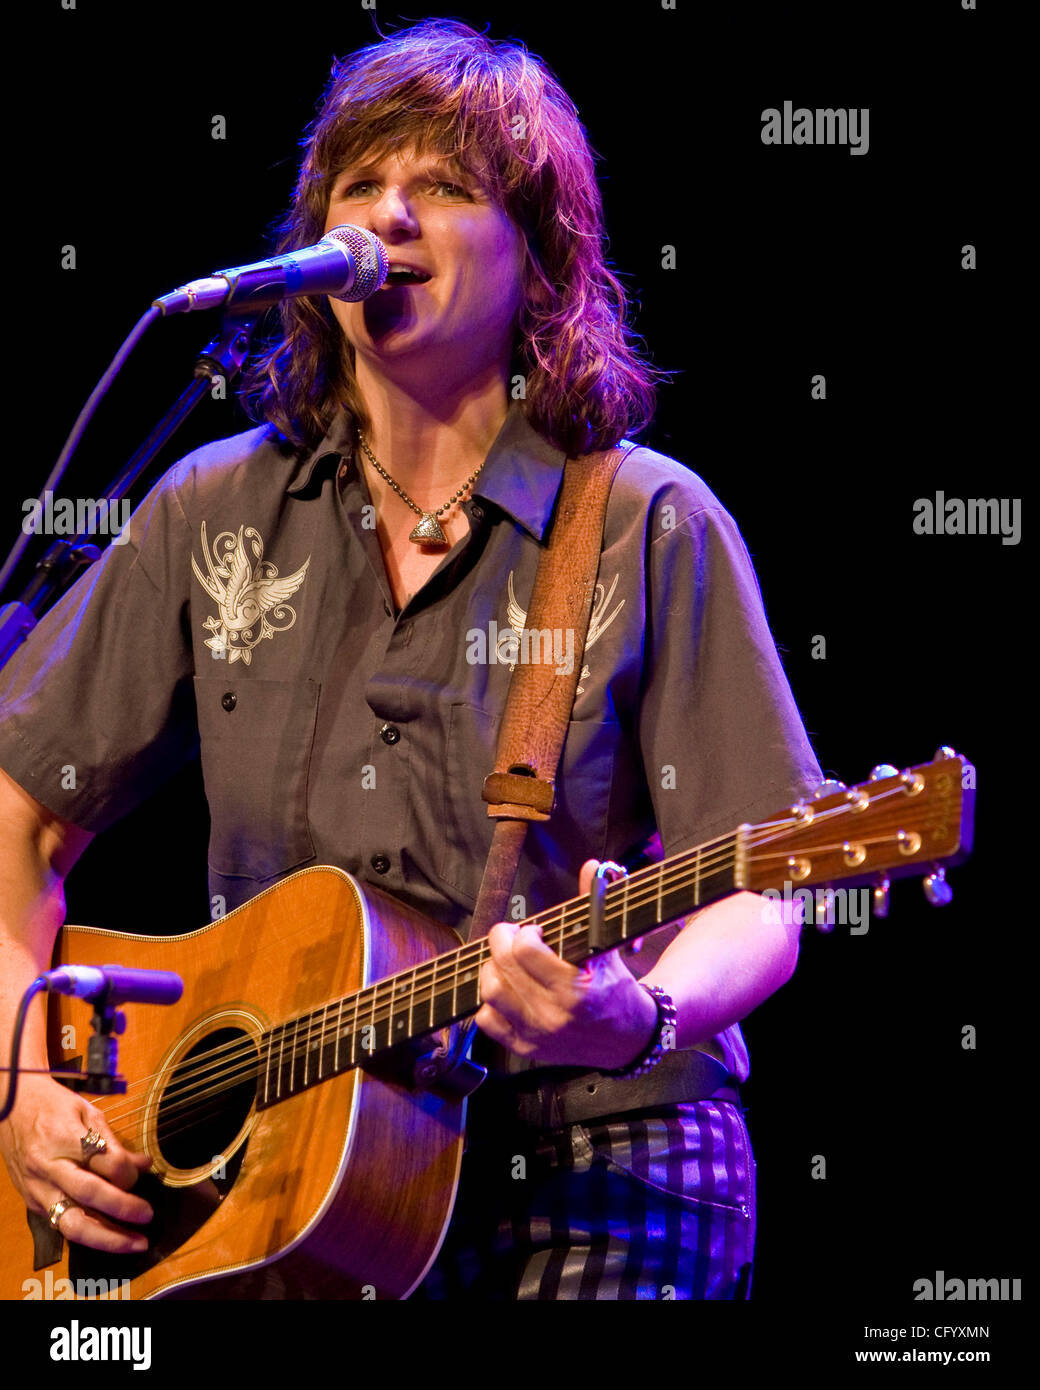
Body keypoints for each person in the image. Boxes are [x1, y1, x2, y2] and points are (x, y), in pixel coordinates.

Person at [0, 19, 820, 1299]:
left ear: (537, 258)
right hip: (295, 1179)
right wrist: (26, 1087)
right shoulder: (211, 508)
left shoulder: (648, 523)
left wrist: (637, 1013)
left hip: (595, 1157)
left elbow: (770, 879)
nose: (387, 216)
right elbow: (15, 822)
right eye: (358, 186)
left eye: (441, 188)